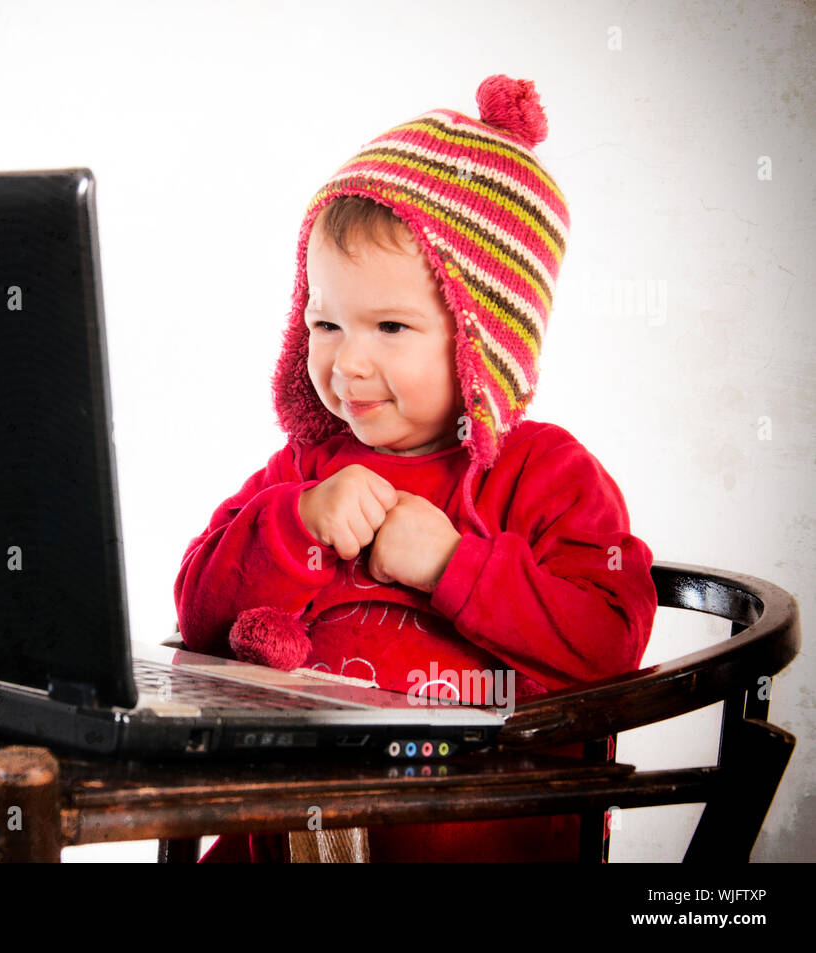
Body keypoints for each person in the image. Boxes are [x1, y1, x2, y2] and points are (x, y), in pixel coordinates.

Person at [173, 75, 659, 862]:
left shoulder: (548, 475)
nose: (348, 361)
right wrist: (295, 523)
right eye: (325, 322)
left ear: (484, 341)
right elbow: (198, 612)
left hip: (474, 838)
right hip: (291, 833)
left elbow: (609, 642)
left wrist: (453, 564)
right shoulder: (306, 467)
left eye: (391, 325)